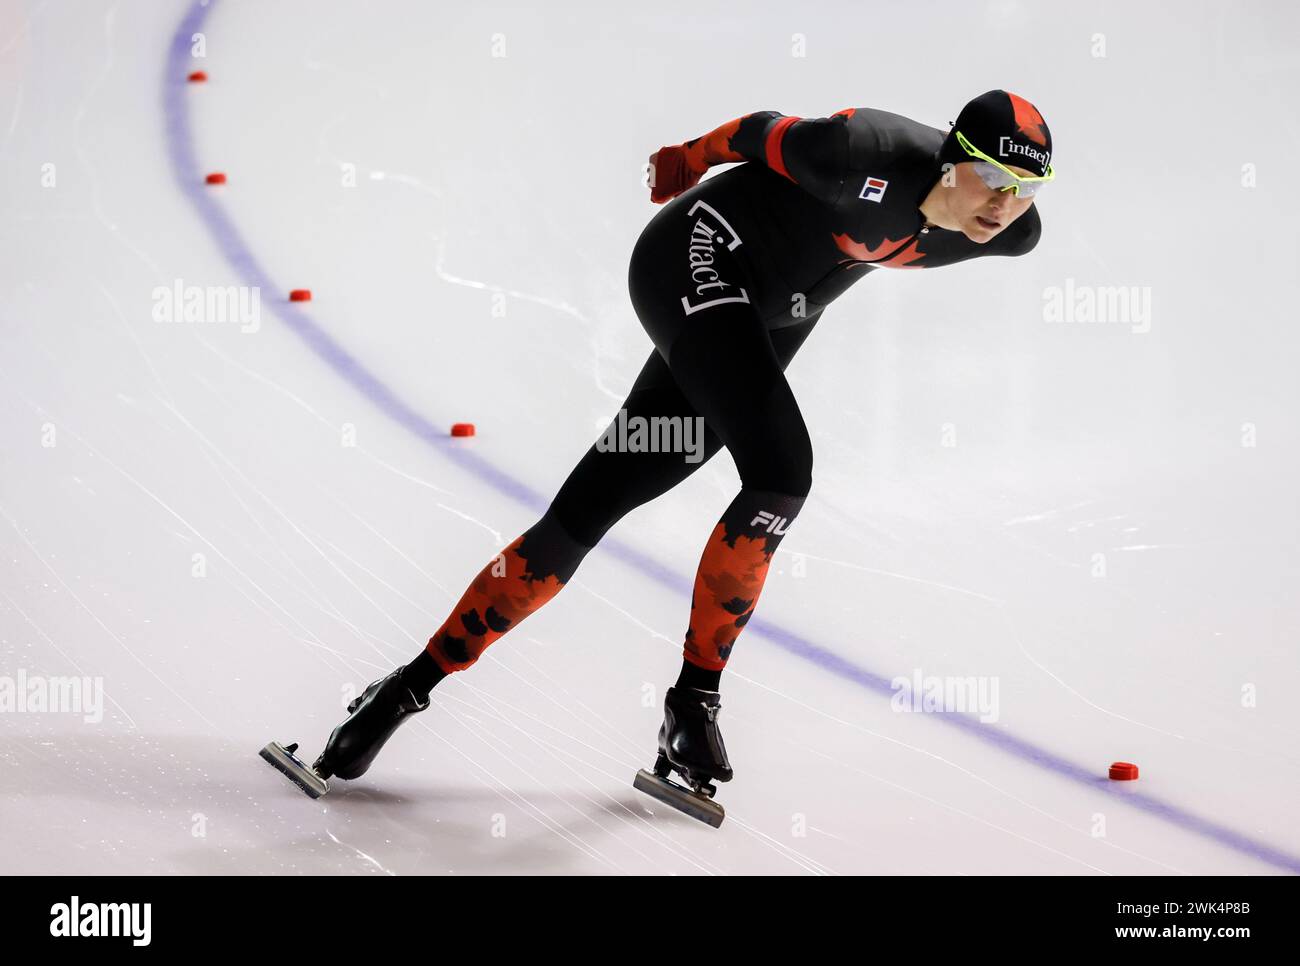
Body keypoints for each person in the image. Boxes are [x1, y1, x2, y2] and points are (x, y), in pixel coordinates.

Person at [305, 89, 1055, 794]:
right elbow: (761, 130)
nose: (1004, 202)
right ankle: (695, 703)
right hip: (692, 260)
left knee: (594, 504)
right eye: (993, 177)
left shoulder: (1010, 232)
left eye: (1027, 185)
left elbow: (981, 218)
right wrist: (689, 158)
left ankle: (405, 686)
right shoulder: (863, 149)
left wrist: (1008, 200)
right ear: (951, 157)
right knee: (781, 470)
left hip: (765, 317)